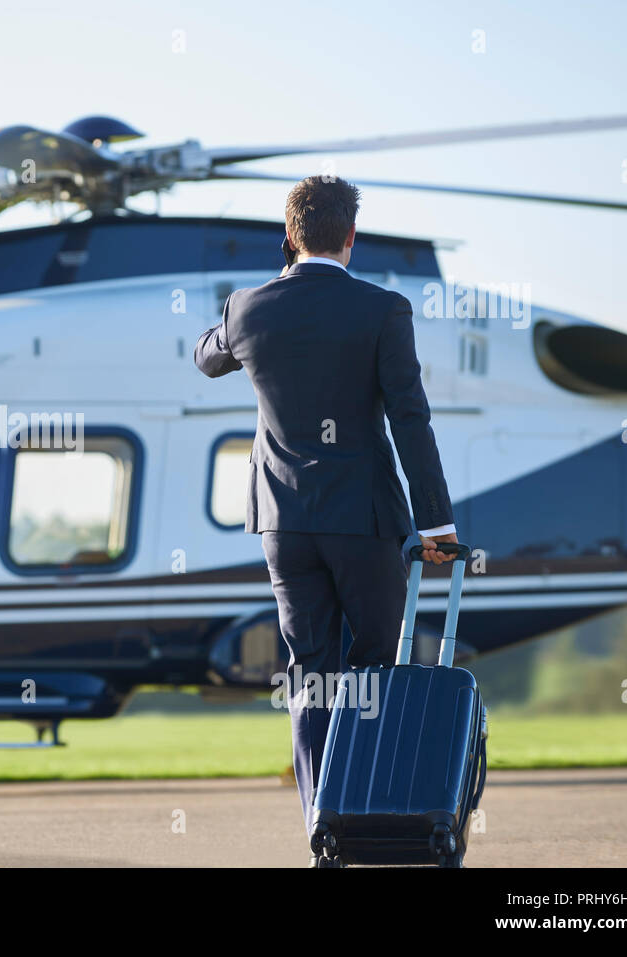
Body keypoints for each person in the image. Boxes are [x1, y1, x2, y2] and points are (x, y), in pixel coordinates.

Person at [192, 176, 458, 859]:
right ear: (352, 237)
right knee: (370, 673)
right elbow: (410, 419)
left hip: (284, 525)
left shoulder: (248, 308)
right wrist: (435, 526)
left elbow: (205, 357)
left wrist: (277, 280)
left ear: (289, 236)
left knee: (311, 676)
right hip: (364, 522)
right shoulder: (382, 310)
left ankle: (321, 826)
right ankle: (365, 817)